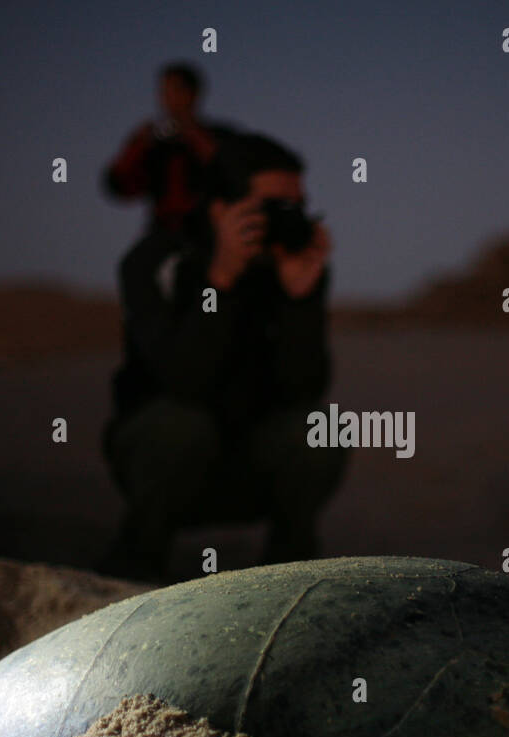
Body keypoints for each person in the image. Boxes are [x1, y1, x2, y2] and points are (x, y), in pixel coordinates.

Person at [101, 132, 348, 580]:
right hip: (163, 459)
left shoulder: (290, 265)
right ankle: (135, 563)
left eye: (299, 206)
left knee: (322, 430)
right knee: (179, 426)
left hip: (250, 461)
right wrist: (222, 279)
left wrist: (299, 299)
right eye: (273, 207)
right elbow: (182, 382)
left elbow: (305, 389)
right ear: (220, 208)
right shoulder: (157, 262)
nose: (289, 220)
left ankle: (290, 571)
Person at [103, 61, 240, 241]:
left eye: (176, 91)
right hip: (165, 232)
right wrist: (139, 145)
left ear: (194, 94)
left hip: (211, 231)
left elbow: (235, 172)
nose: (169, 99)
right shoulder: (153, 142)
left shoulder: (220, 136)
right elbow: (120, 185)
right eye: (164, 92)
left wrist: (194, 136)